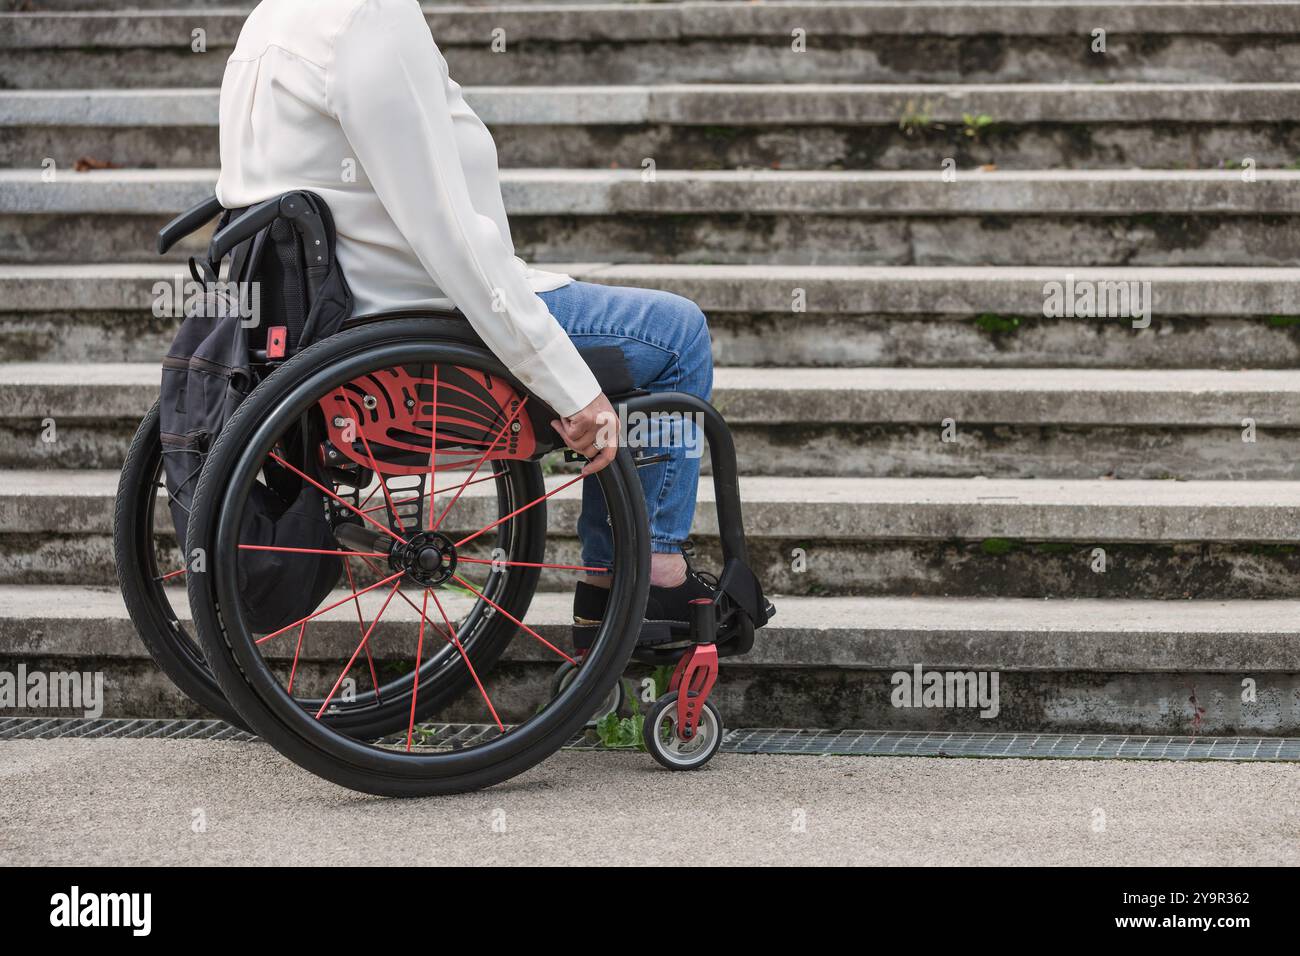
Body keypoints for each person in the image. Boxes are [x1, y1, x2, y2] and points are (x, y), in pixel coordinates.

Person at [215, 0, 716, 645]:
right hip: (415, 322)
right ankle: (648, 580)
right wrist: (573, 389)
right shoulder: (370, 20)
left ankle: (614, 586)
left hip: (331, 323)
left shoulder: (272, 19)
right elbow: (449, 235)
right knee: (676, 335)